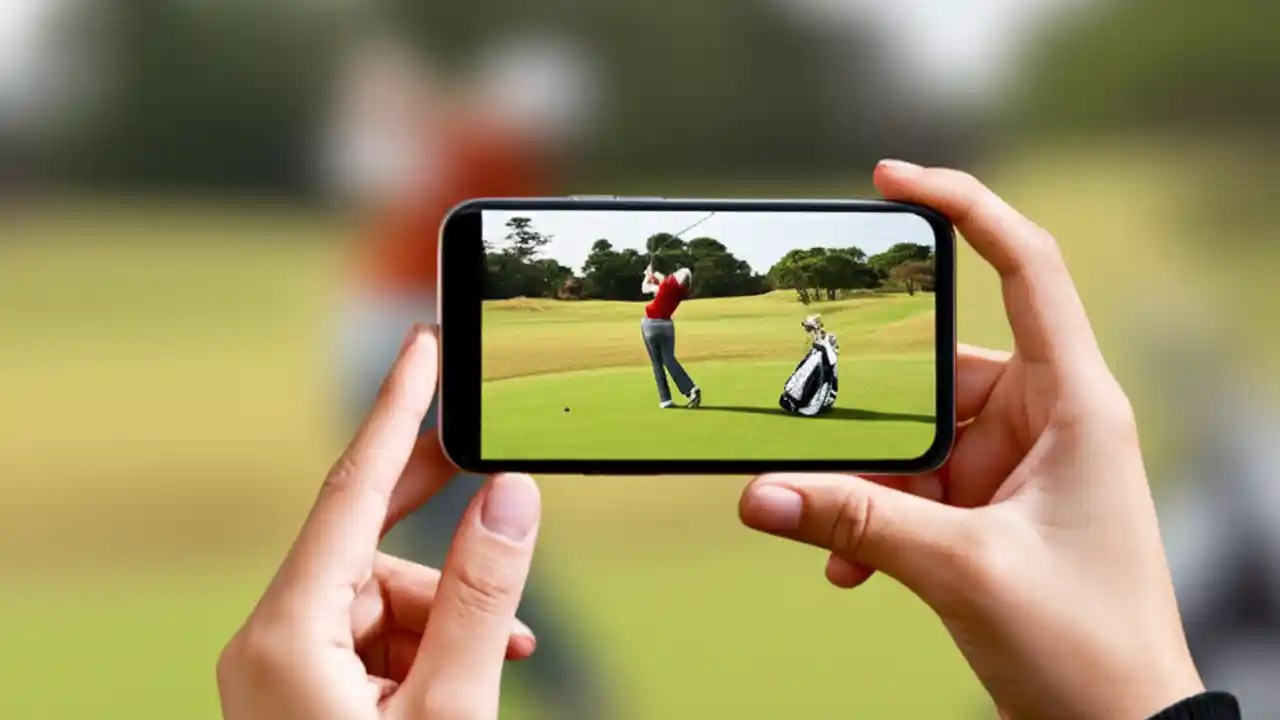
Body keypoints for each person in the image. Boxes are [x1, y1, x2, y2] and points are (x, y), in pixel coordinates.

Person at [218, 163, 1240, 719]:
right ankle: (680, 391)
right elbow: (662, 289)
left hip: (658, 329)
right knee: (666, 363)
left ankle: (680, 392)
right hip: (656, 330)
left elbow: (668, 287)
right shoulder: (664, 289)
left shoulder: (668, 286)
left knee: (669, 367)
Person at [322, 36, 607, 719]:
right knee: (431, 543)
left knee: (454, 544)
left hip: (419, 369)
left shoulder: (481, 159)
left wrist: (393, 94)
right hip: (404, 364)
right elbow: (379, 153)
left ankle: (553, 684)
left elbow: (380, 149)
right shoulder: (475, 151)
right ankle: (544, 686)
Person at [641, 265, 702, 408]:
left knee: (657, 363)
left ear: (676, 278)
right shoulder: (680, 289)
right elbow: (663, 278)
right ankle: (690, 389)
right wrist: (652, 273)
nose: (674, 273)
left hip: (650, 325)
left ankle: (665, 399)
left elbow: (645, 288)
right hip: (667, 326)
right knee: (669, 359)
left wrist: (647, 276)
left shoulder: (667, 286)